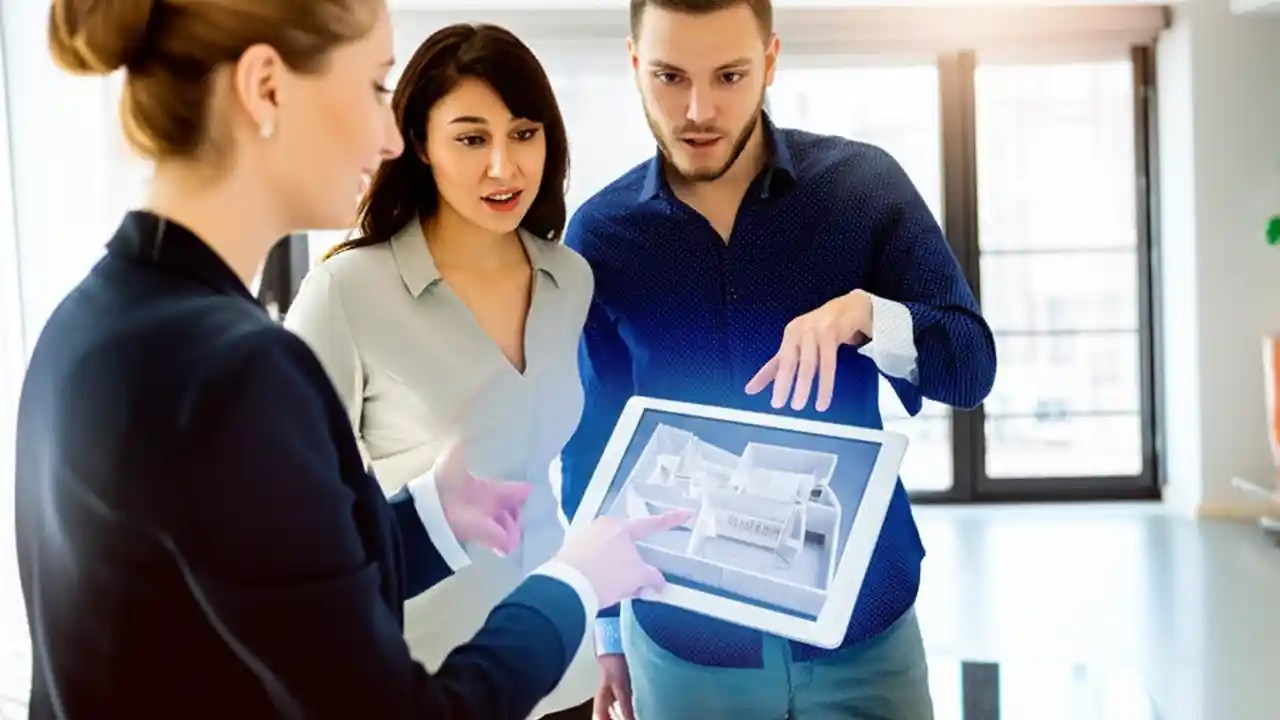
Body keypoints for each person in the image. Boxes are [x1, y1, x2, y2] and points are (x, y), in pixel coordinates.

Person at [15, 1, 685, 718]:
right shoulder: (234, 371)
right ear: (266, 87)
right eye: (373, 86)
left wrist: (429, 518)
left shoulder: (100, 318)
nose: (388, 134)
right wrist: (573, 586)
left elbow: (268, 574)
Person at [560, 0, 998, 718]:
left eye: (730, 75)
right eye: (670, 76)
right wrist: (606, 628)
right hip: (685, 646)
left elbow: (970, 365)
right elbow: (591, 449)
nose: (699, 109)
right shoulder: (601, 236)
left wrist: (869, 316)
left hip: (865, 631)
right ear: (635, 65)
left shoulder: (864, 187)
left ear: (770, 60)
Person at [284, 23, 597, 719]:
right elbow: (292, 515)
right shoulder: (346, 292)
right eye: (470, 138)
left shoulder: (570, 279)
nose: (503, 167)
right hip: (431, 677)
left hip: (563, 662)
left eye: (523, 133)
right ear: (419, 144)